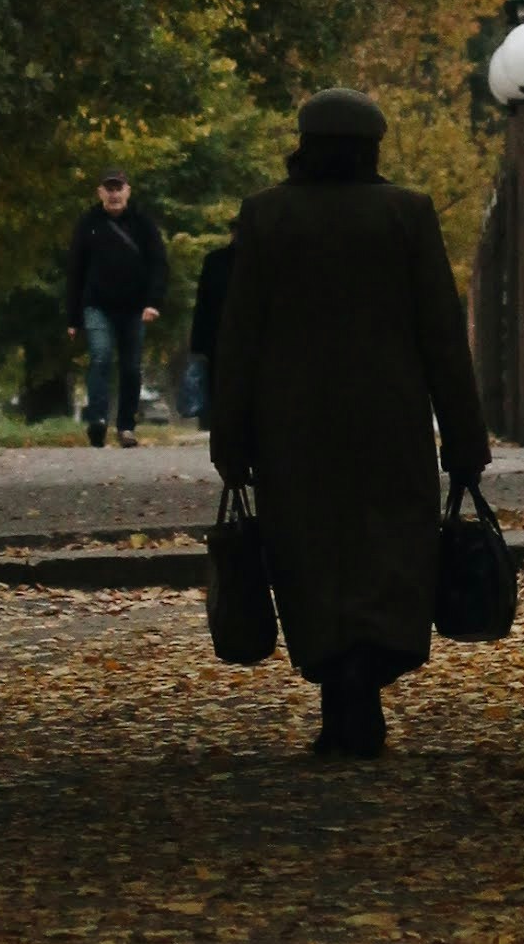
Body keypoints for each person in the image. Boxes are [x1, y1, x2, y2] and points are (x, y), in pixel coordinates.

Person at [209, 89, 488, 761]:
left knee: (312, 553)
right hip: (389, 420)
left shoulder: (267, 215)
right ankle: (366, 676)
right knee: (389, 550)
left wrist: (230, 438)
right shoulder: (406, 214)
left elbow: (238, 336)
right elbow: (442, 336)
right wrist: (464, 438)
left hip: (292, 427)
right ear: (372, 147)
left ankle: (340, 690)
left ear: (304, 145)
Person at [64, 170, 168, 448]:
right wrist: (73, 317)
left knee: (131, 367)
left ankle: (126, 426)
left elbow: (159, 263)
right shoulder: (88, 223)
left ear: (127, 191)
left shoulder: (143, 223)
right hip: (97, 304)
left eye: (118, 188)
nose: (113, 194)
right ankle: (98, 419)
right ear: (100, 192)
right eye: (108, 189)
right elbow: (75, 270)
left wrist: (153, 302)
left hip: (135, 307)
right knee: (100, 357)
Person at [176, 233, 233, 430]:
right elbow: (204, 302)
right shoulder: (215, 261)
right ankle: (213, 420)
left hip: (241, 334)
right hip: (216, 333)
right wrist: (198, 343)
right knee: (214, 379)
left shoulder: (263, 260)